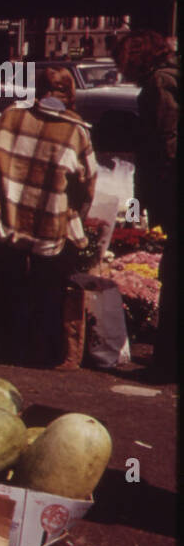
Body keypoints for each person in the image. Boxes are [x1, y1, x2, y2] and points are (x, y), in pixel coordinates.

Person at [0, 67, 97, 367]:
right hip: (51, 222)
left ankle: (0, 346)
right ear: (70, 94)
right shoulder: (77, 132)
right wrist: (75, 214)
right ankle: (42, 353)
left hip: (6, 215)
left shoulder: (10, 116)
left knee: (7, 284)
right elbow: (87, 185)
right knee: (48, 290)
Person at [114, 29, 179, 380]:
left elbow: (166, 142)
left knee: (174, 273)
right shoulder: (173, 75)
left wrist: (160, 195)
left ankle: (167, 362)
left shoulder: (159, 84)